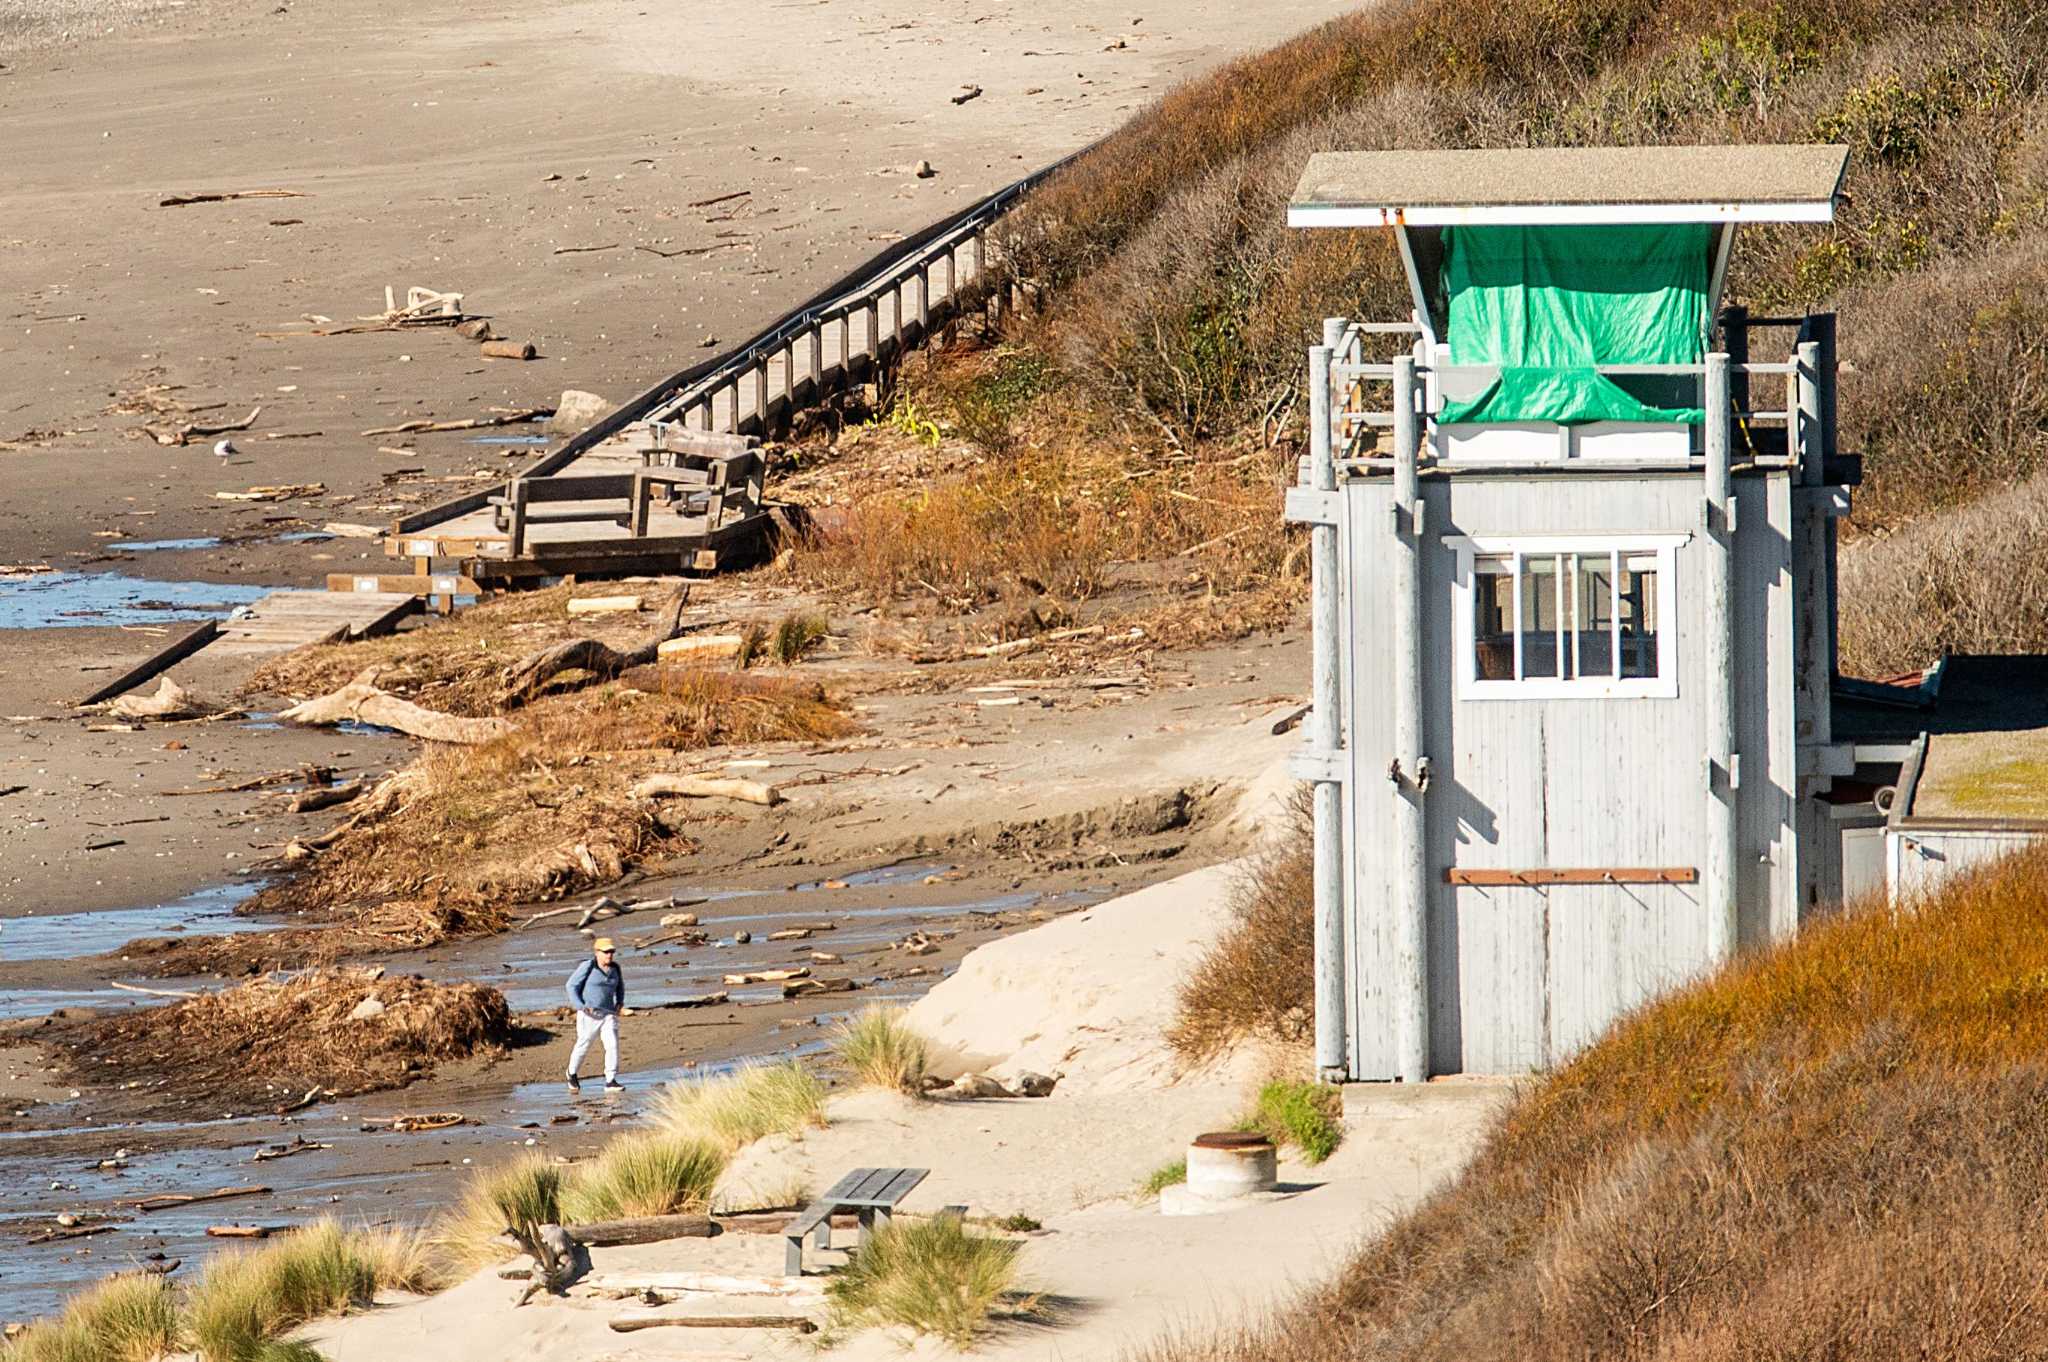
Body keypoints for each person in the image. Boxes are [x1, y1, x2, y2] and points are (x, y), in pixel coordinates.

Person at [565, 938, 625, 1093]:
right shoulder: (587, 966)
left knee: (612, 1045)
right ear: (597, 952)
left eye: (611, 952)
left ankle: (610, 1080)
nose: (609, 955)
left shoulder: (615, 968)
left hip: (608, 1013)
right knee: (583, 1045)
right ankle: (571, 1073)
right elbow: (571, 986)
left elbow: (620, 986)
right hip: (589, 1014)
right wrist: (581, 1006)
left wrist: (620, 1002)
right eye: (606, 952)